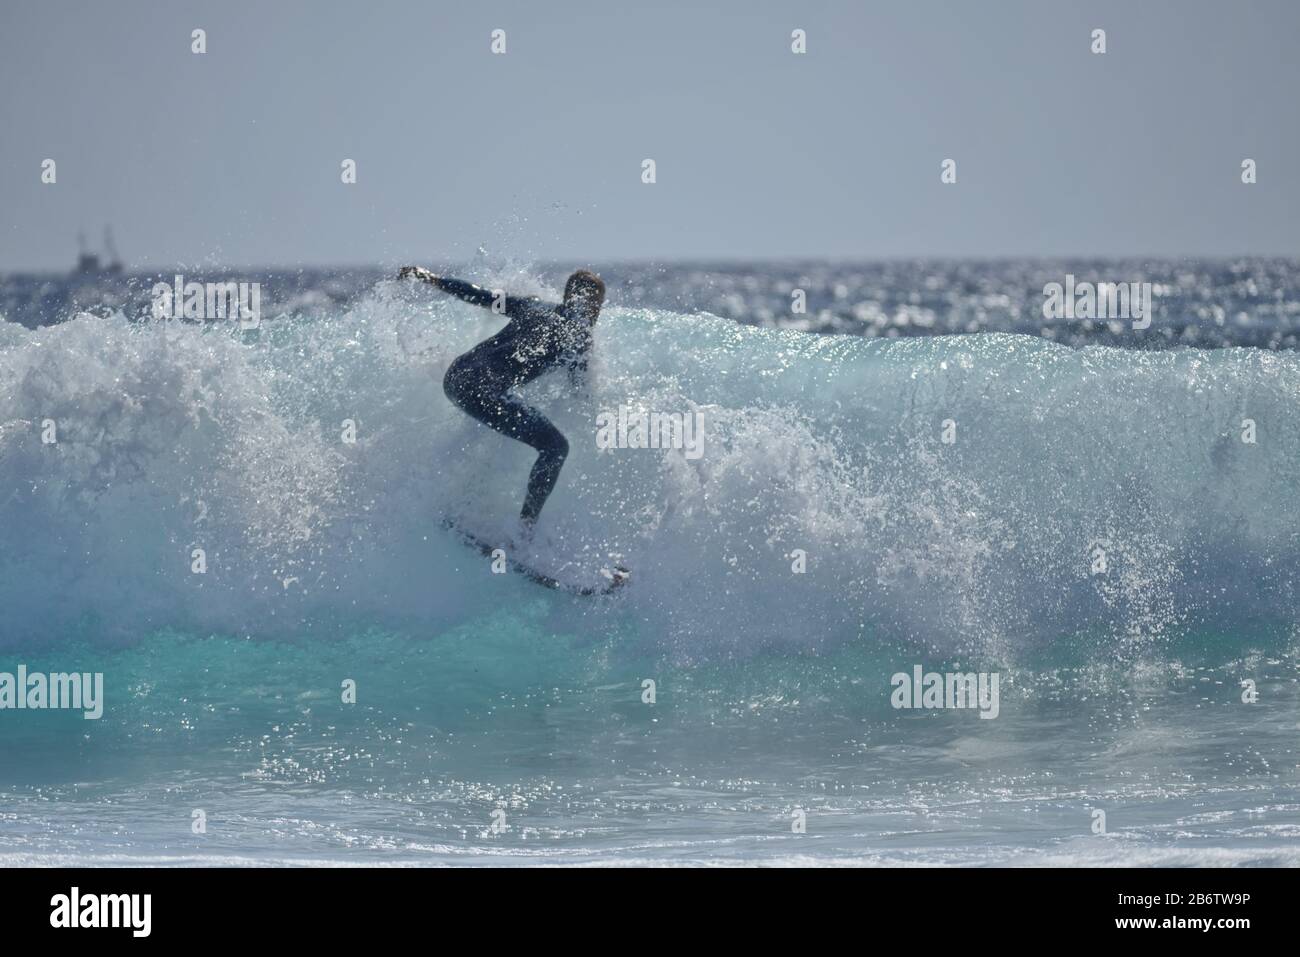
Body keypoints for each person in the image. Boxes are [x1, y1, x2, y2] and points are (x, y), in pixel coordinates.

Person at [398, 265, 605, 537]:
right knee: (556, 448)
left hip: (456, 375)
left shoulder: (533, 306)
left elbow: (480, 295)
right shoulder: (580, 338)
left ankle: (460, 504)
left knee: (494, 432)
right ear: (592, 306)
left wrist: (431, 279)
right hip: (482, 391)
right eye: (598, 306)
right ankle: (525, 533)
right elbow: (581, 395)